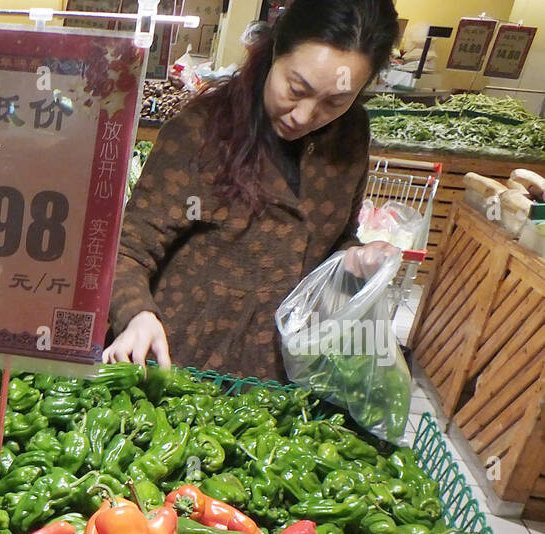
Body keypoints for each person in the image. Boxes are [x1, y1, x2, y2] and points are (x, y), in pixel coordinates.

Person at [105, 0, 402, 381]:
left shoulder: (351, 136)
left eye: (334, 102)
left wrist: (357, 258)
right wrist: (137, 314)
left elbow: (336, 240)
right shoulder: (201, 132)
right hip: (180, 365)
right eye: (296, 89)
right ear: (275, 48)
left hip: (283, 376)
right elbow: (126, 251)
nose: (304, 116)